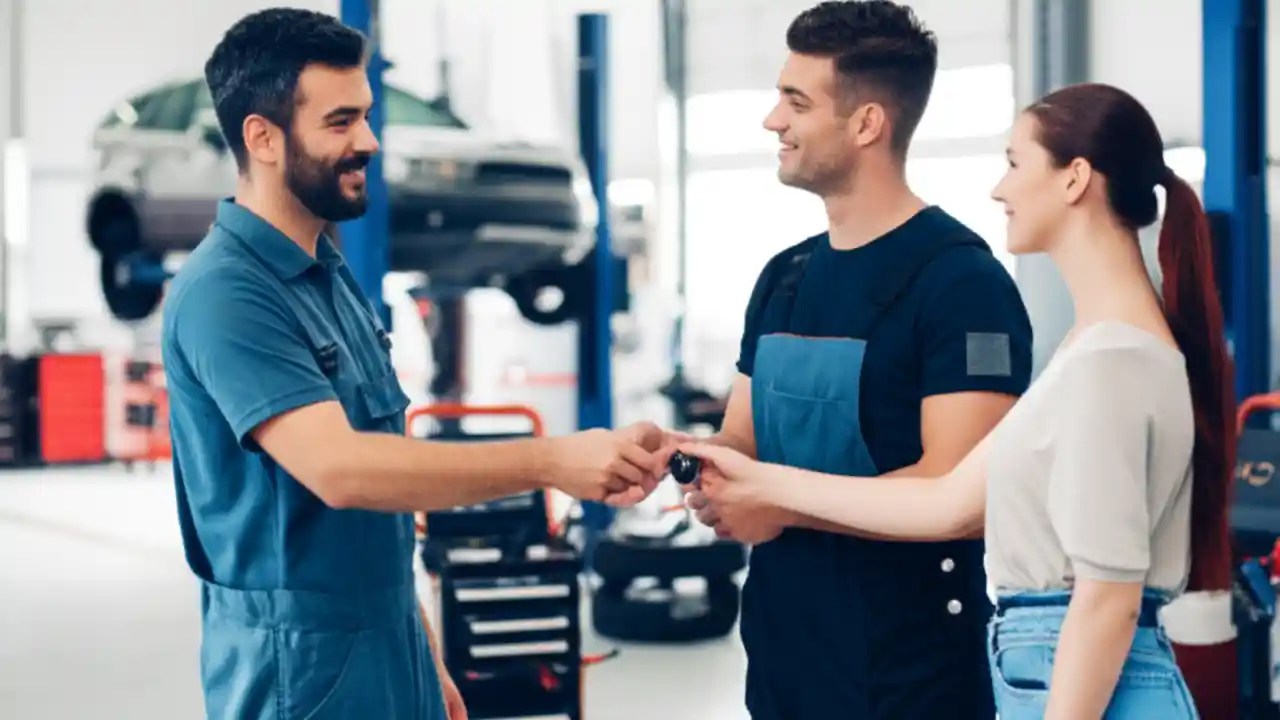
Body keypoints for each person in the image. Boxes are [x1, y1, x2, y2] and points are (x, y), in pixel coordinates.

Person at [162, 9, 670, 719]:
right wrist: (552, 461)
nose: (369, 142)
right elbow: (341, 470)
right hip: (299, 675)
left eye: (366, 117)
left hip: (386, 640)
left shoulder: (325, 274)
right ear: (263, 138)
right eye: (341, 122)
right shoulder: (227, 292)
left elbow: (377, 500)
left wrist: (421, 649)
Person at [681, 81, 1234, 719]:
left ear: (1075, 178)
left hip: (1084, 671)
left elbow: (1108, 600)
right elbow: (944, 502)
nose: (999, 189)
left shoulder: (1112, 361)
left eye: (1015, 164)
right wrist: (758, 482)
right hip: (1047, 664)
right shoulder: (1088, 352)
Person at [681, 2, 1034, 717]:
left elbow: (958, 496)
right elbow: (743, 439)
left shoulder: (962, 285)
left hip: (910, 675)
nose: (772, 121)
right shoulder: (783, 278)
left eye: (796, 102)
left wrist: (775, 504)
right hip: (783, 663)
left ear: (867, 124)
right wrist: (694, 460)